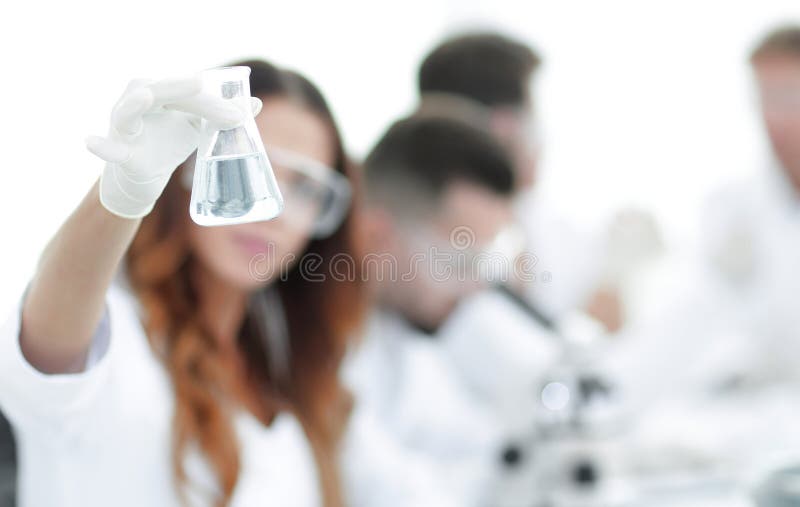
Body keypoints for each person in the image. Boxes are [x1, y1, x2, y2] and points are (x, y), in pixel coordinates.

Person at [0, 59, 365, 507]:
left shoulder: (294, 365)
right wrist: (122, 193)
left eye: (305, 186)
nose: (272, 209)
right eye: (251, 162)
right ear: (185, 168)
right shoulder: (119, 337)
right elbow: (44, 342)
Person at [341, 113, 539, 506]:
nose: (475, 287)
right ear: (375, 234)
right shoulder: (315, 345)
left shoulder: (400, 335)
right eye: (458, 263)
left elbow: (472, 443)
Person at [418, 32, 637, 332]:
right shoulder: (437, 248)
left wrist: (615, 278)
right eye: (532, 114)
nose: (542, 139)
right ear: (503, 127)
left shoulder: (536, 222)